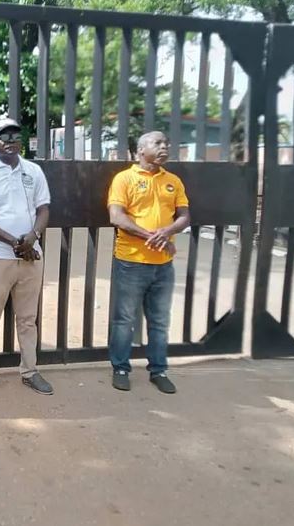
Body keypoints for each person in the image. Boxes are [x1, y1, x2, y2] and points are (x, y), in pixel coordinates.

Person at [0, 117, 53, 396]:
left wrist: (33, 237)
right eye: (3, 136)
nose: (10, 141)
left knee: (28, 318)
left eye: (15, 136)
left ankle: (30, 370)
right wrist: (14, 241)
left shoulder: (34, 172)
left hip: (30, 256)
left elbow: (43, 209)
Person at [107, 130, 190, 394]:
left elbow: (184, 216)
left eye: (167, 143)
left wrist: (167, 232)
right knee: (124, 319)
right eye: (158, 143)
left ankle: (158, 370)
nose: (165, 147)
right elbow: (117, 217)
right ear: (141, 150)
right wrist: (150, 235)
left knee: (160, 320)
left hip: (163, 263)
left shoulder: (173, 181)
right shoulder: (125, 179)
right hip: (131, 261)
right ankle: (120, 368)